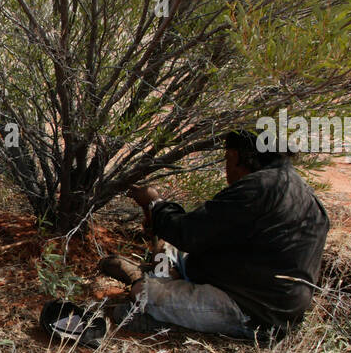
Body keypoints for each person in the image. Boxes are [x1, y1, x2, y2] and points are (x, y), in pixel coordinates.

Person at [101, 129, 329, 340]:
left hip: (250, 312)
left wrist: (154, 203)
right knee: (170, 248)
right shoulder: (302, 194)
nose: (226, 169)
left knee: (143, 294)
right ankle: (163, 274)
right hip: (266, 301)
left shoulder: (259, 187)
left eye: (227, 160)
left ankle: (143, 281)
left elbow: (187, 233)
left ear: (239, 156)